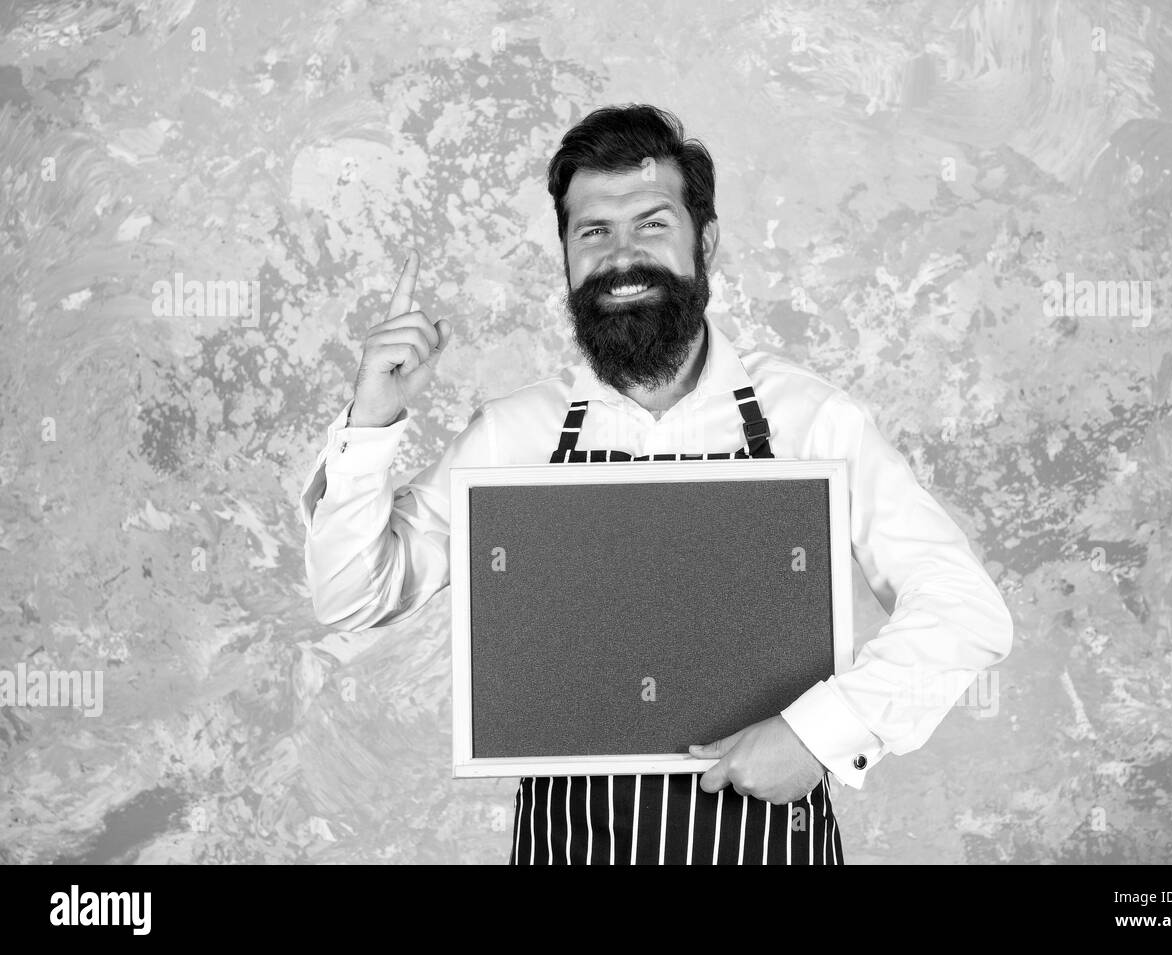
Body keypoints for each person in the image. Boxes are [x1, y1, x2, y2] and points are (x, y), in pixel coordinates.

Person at [299, 104, 1013, 865]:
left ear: (705, 241)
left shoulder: (810, 421)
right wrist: (371, 418)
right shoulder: (516, 435)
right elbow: (352, 595)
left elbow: (966, 610)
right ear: (567, 255)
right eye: (593, 232)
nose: (621, 256)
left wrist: (819, 732)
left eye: (651, 225)